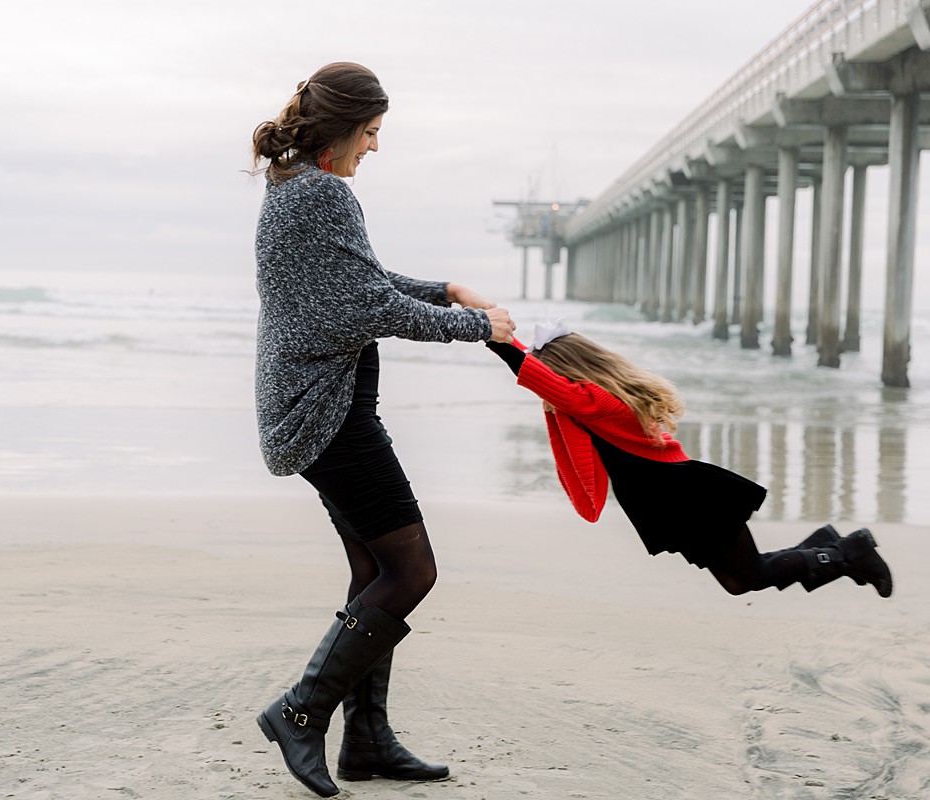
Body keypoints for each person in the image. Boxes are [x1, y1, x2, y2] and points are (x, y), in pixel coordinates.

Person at [249, 62, 515, 798]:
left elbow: (356, 284)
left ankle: (366, 740)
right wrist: (472, 324)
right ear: (343, 129)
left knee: (375, 573)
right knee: (411, 572)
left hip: (319, 408)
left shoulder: (296, 189)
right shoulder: (322, 195)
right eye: (372, 133)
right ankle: (301, 713)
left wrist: (444, 288)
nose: (375, 147)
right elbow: (362, 308)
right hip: (327, 416)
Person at [487, 321, 893, 599]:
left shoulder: (596, 400)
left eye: (551, 377)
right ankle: (828, 547)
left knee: (749, 577)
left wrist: (491, 336)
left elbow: (536, 376)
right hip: (670, 499)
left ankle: (847, 552)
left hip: (685, 496)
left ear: (565, 372)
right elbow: (545, 381)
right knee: (739, 581)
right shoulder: (594, 400)